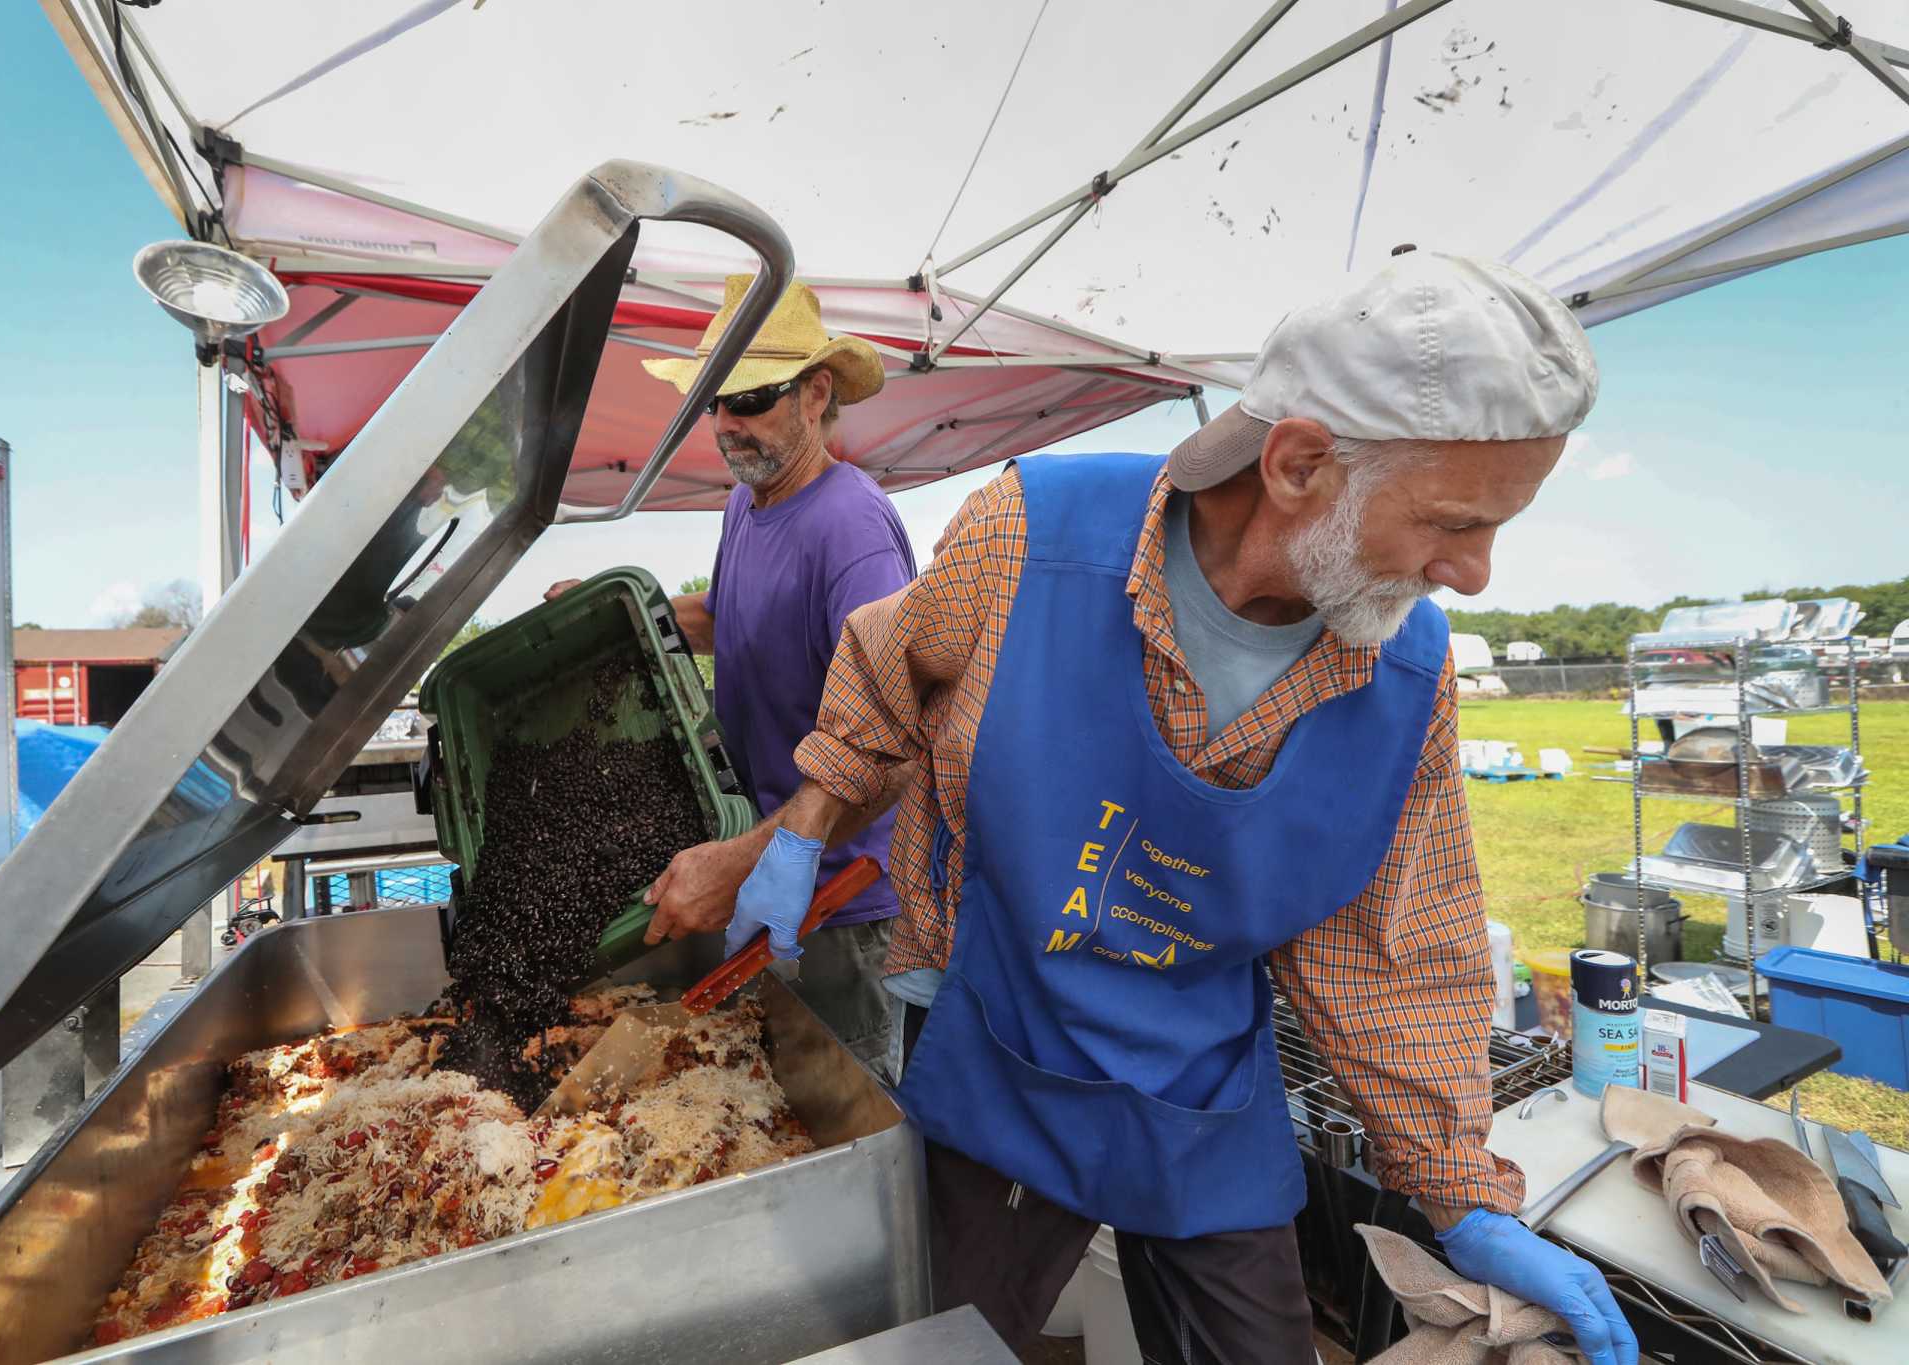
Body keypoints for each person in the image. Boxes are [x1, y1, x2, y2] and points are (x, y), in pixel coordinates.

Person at [686, 252, 1639, 1364]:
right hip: (1006, 1042)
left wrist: (1458, 1191)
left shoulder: (1404, 674)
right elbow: (885, 670)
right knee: (936, 1344)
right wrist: (803, 826)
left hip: (1199, 1088)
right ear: (1298, 465)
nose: (1474, 573)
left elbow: (1395, 952)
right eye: (1452, 522)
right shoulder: (1028, 539)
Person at [547, 276, 916, 1082]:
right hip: (760, 869)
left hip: (838, 905)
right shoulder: (746, 506)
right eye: (713, 401)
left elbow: (895, 751)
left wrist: (748, 861)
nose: (723, 424)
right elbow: (728, 616)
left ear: (817, 393)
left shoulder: (852, 530)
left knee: (836, 1117)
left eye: (747, 399)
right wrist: (617, 614)